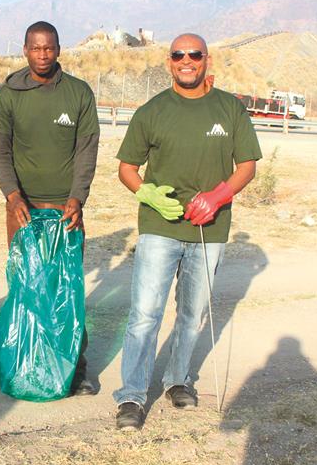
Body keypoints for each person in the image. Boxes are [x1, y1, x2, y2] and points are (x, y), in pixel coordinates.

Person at [112, 33, 263, 430]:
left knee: (192, 313)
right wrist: (145, 192)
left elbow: (247, 165)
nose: (187, 60)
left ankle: (178, 380)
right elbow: (126, 167)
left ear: (206, 60)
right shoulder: (153, 111)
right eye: (179, 54)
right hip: (159, 227)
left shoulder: (229, 108)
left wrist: (217, 196)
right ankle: (131, 395)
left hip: (208, 231)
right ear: (169, 61)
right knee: (145, 313)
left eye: (194, 54)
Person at [0, 20, 100, 397]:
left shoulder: (79, 93)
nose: (42, 54)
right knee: (26, 286)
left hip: (67, 210)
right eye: (36, 48)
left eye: (49, 48)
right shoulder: (10, 93)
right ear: (25, 50)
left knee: (67, 289)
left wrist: (77, 198)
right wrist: (12, 195)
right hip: (23, 208)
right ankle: (24, 364)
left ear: (58, 50)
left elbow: (86, 150)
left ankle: (75, 370)